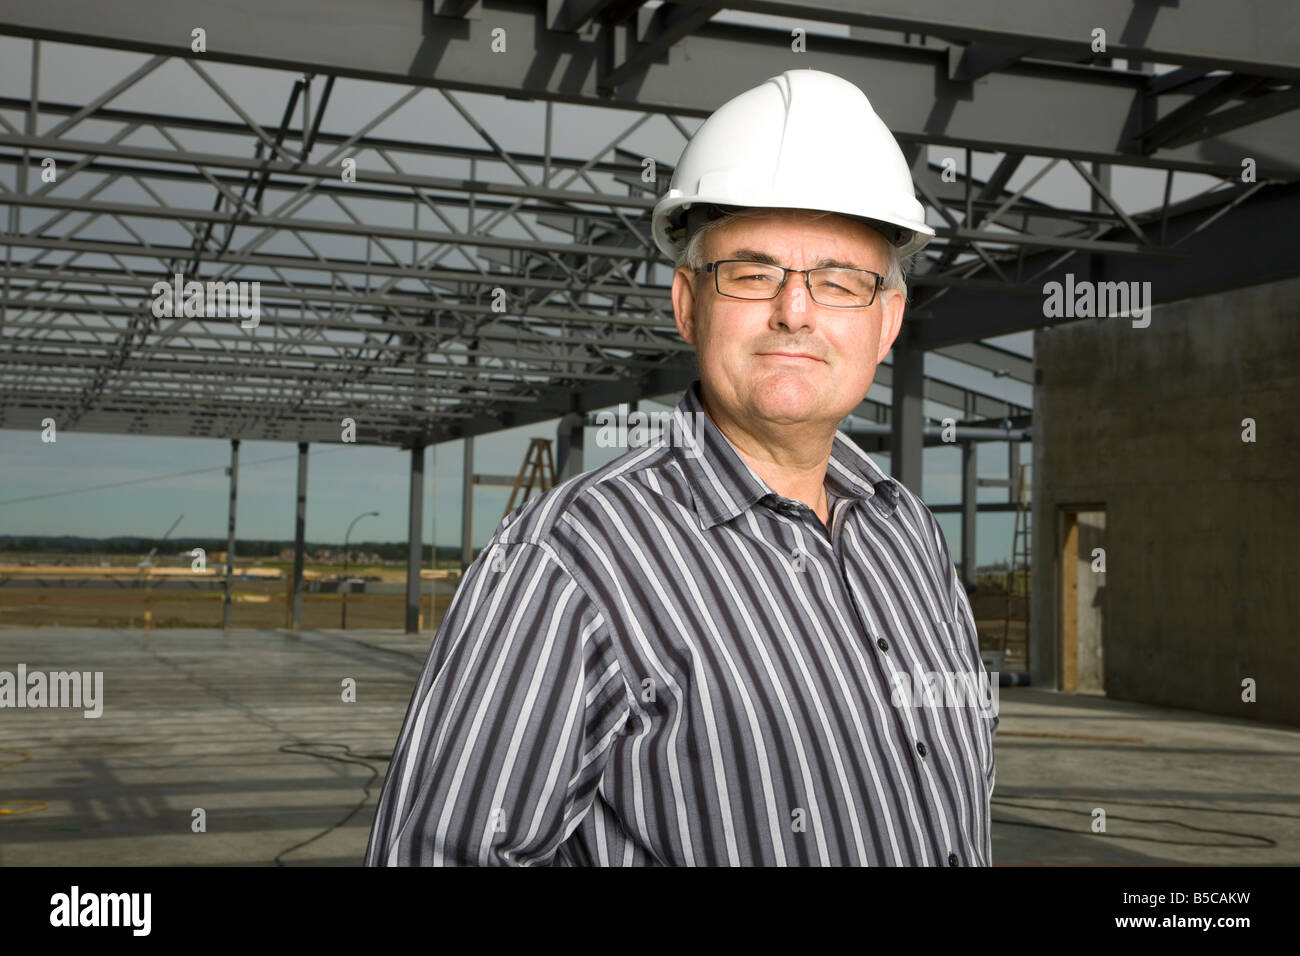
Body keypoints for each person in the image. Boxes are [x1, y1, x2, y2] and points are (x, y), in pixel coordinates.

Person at [365, 68, 997, 867]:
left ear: (888, 320)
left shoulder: (906, 534)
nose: (795, 311)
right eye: (753, 272)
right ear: (687, 303)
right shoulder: (569, 562)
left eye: (840, 281)